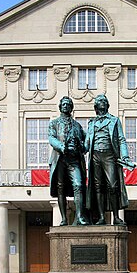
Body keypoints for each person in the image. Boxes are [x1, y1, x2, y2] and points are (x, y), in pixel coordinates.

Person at [85, 94, 134, 225]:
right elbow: (87, 143)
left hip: (109, 156)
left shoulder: (114, 120)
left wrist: (125, 156)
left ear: (107, 105)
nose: (102, 102)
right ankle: (101, 217)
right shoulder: (92, 122)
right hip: (95, 156)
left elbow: (121, 139)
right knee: (98, 187)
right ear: (96, 106)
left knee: (113, 185)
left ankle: (116, 217)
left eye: (104, 101)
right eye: (100, 101)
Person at [49, 96, 89, 226]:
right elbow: (51, 138)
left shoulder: (77, 125)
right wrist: (61, 147)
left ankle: (79, 217)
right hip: (60, 159)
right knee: (60, 188)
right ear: (60, 107)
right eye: (64, 104)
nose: (66, 106)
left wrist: (83, 147)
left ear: (71, 108)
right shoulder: (54, 123)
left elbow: (86, 142)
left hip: (73, 160)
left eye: (68, 104)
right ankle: (64, 219)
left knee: (78, 185)